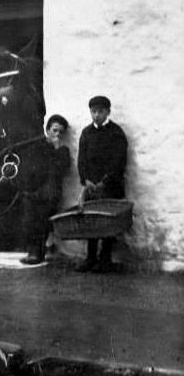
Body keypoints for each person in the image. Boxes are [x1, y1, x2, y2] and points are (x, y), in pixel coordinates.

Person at [76, 95, 128, 272]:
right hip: (91, 187)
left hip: (110, 186)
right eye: (93, 111)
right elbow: (81, 160)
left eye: (100, 111)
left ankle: (105, 259)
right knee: (91, 222)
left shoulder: (116, 133)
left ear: (108, 112)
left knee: (107, 223)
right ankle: (90, 258)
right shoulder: (86, 133)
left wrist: (105, 181)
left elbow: (119, 160)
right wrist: (86, 180)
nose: (96, 115)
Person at [19, 114, 71, 265]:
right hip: (34, 190)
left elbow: (60, 170)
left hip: (49, 193)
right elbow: (29, 168)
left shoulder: (63, 151)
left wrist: (55, 149)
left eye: (61, 132)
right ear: (47, 130)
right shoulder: (36, 147)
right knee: (29, 221)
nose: (57, 135)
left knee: (42, 222)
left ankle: (38, 253)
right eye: (54, 130)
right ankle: (32, 251)